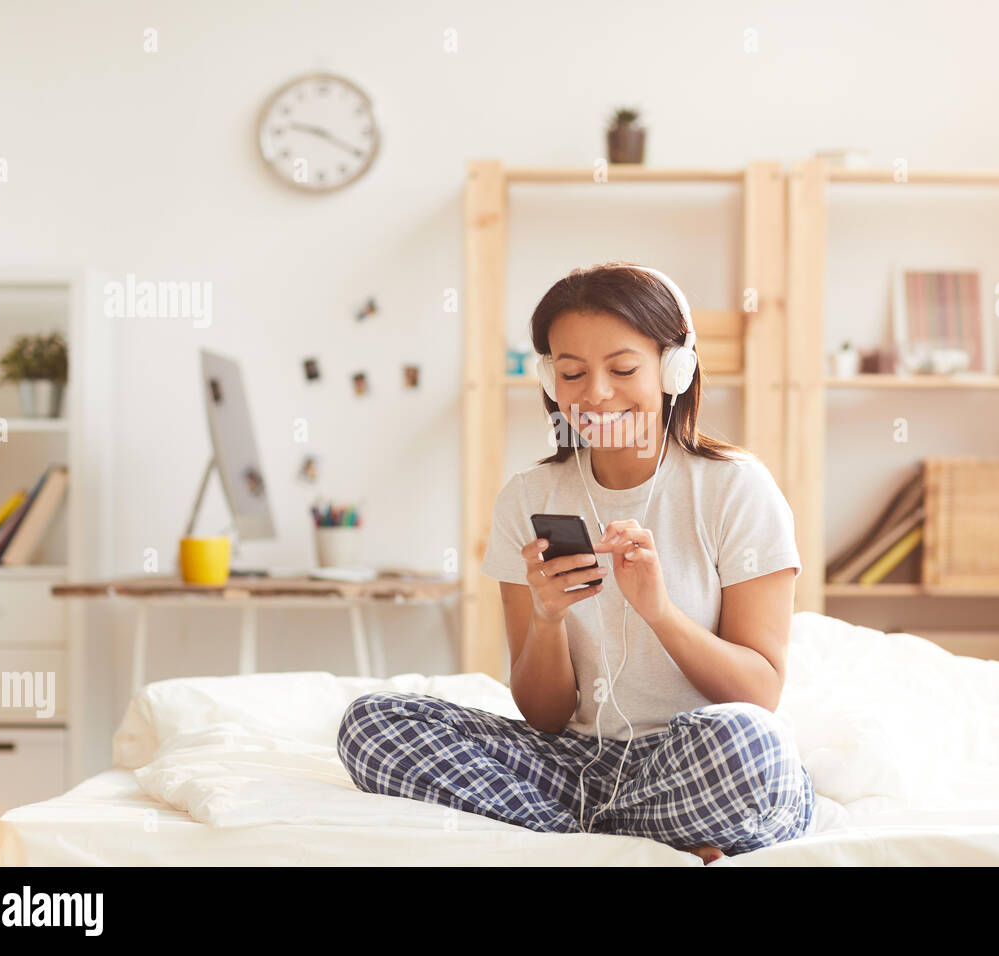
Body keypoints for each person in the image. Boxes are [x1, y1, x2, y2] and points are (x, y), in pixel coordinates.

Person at [338, 262, 815, 863]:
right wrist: (547, 617)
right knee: (375, 724)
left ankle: (590, 829)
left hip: (695, 754)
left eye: (622, 369)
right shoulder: (528, 498)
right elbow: (543, 715)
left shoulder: (735, 488)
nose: (595, 394)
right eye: (571, 372)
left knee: (750, 747)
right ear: (547, 376)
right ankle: (608, 839)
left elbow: (759, 692)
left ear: (675, 368)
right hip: (576, 766)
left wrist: (659, 612)